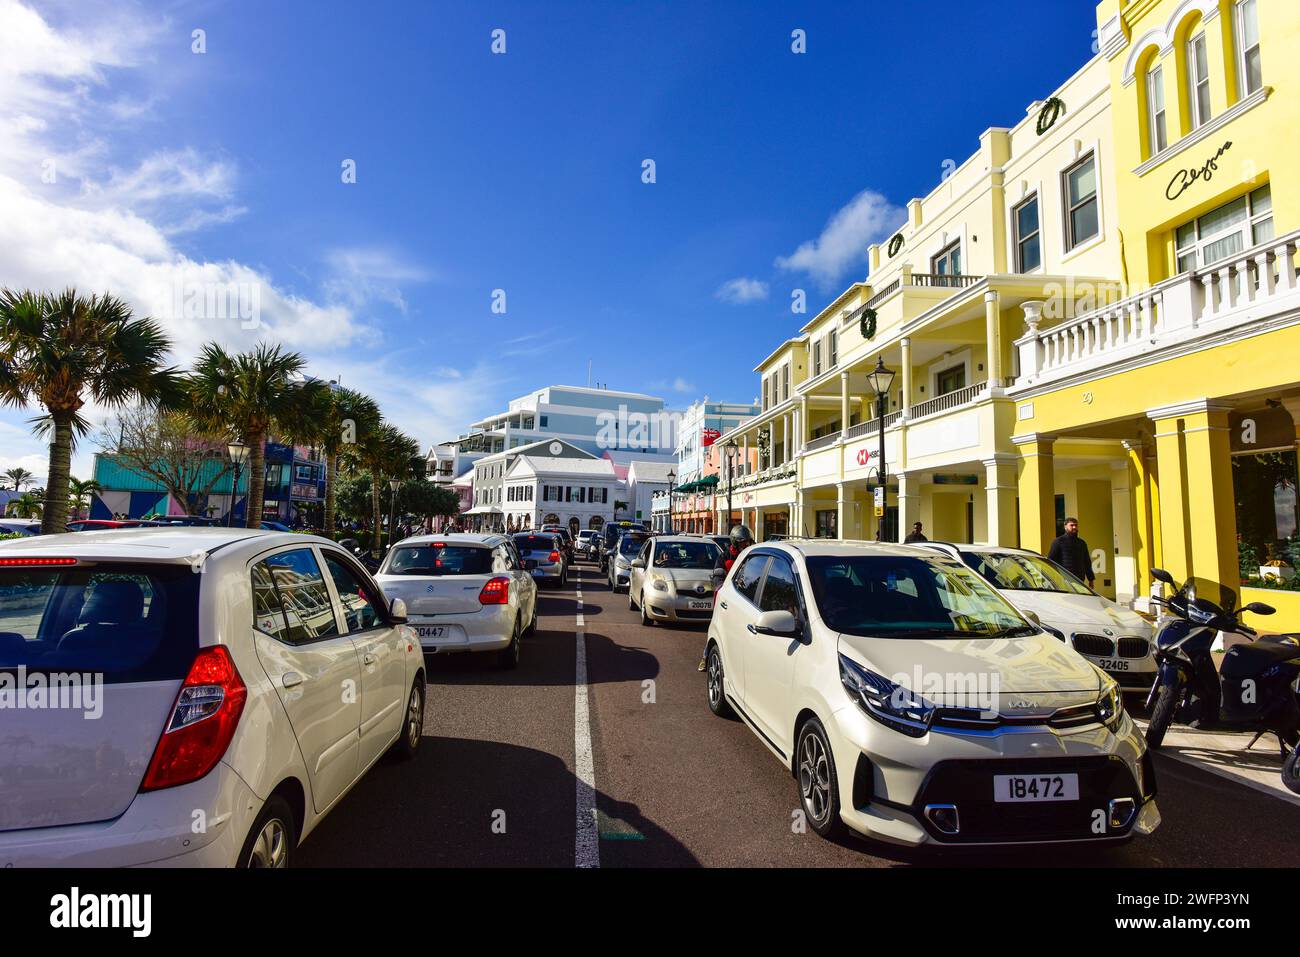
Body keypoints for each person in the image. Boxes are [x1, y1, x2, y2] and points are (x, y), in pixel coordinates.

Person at [699, 525, 754, 671]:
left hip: (748, 601)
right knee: (717, 629)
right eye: (743, 542)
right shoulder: (724, 557)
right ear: (735, 542)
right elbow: (718, 581)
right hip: (728, 600)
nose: (746, 545)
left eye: (747, 542)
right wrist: (727, 593)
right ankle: (706, 656)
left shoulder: (751, 556)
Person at [1048, 517, 1095, 587]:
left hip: (1079, 580)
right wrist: (1052, 579)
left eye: (1076, 525)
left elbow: (1087, 562)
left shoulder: (1082, 543)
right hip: (1063, 579)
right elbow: (1051, 561)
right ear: (1065, 527)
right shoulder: (1058, 542)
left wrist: (1091, 579)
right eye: (1072, 525)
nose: (1074, 527)